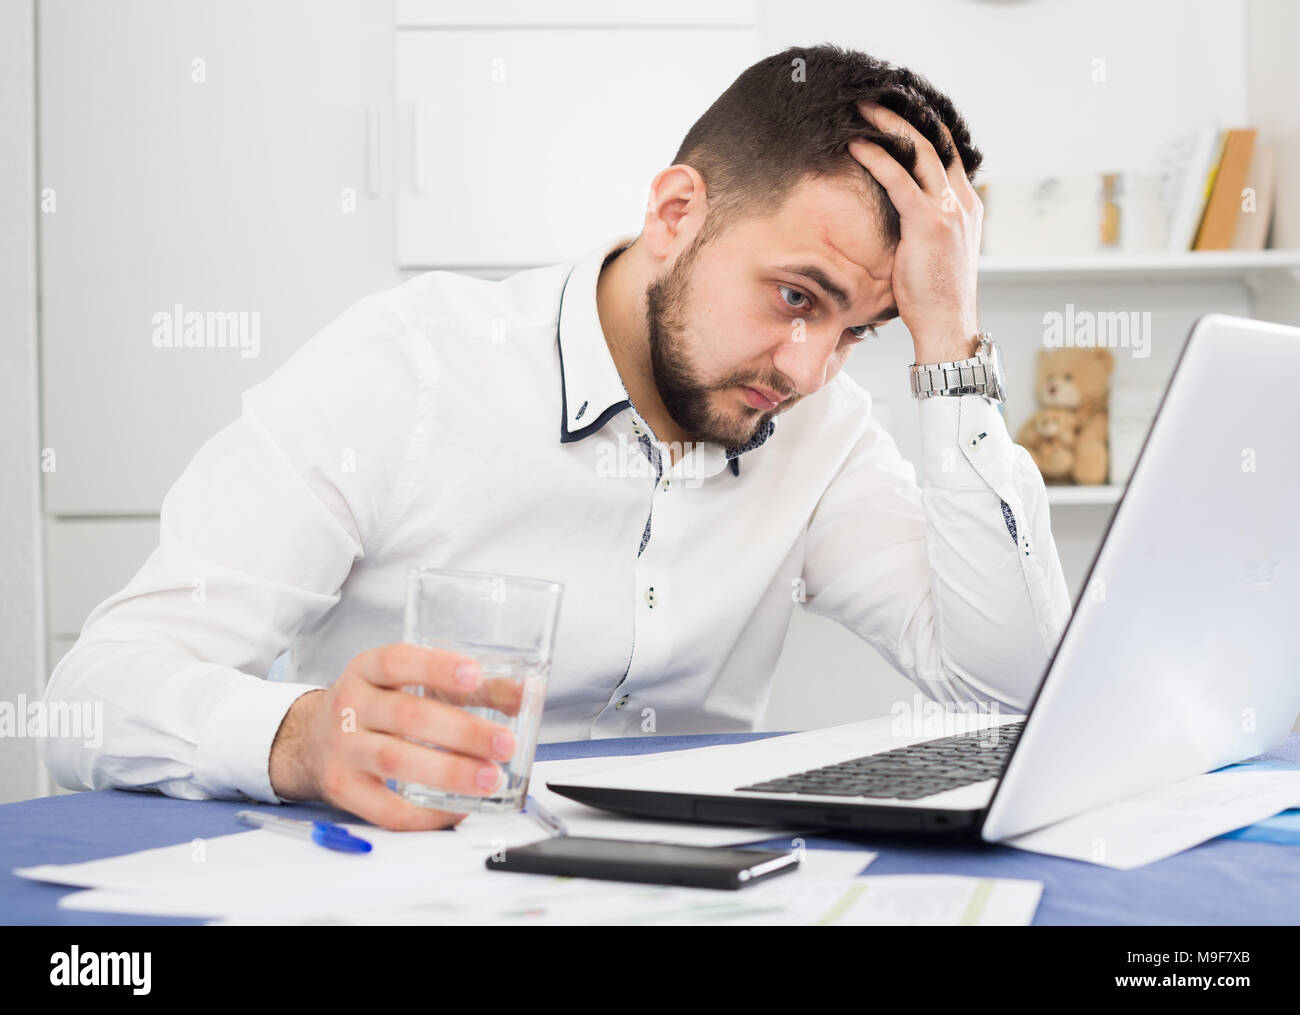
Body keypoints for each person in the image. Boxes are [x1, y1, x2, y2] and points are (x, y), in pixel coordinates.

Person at [42, 44, 1070, 831]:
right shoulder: (408, 367)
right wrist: (298, 737)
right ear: (675, 213)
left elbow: (1009, 689)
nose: (805, 369)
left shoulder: (823, 430)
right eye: (796, 295)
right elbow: (92, 695)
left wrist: (951, 345)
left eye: (858, 331)